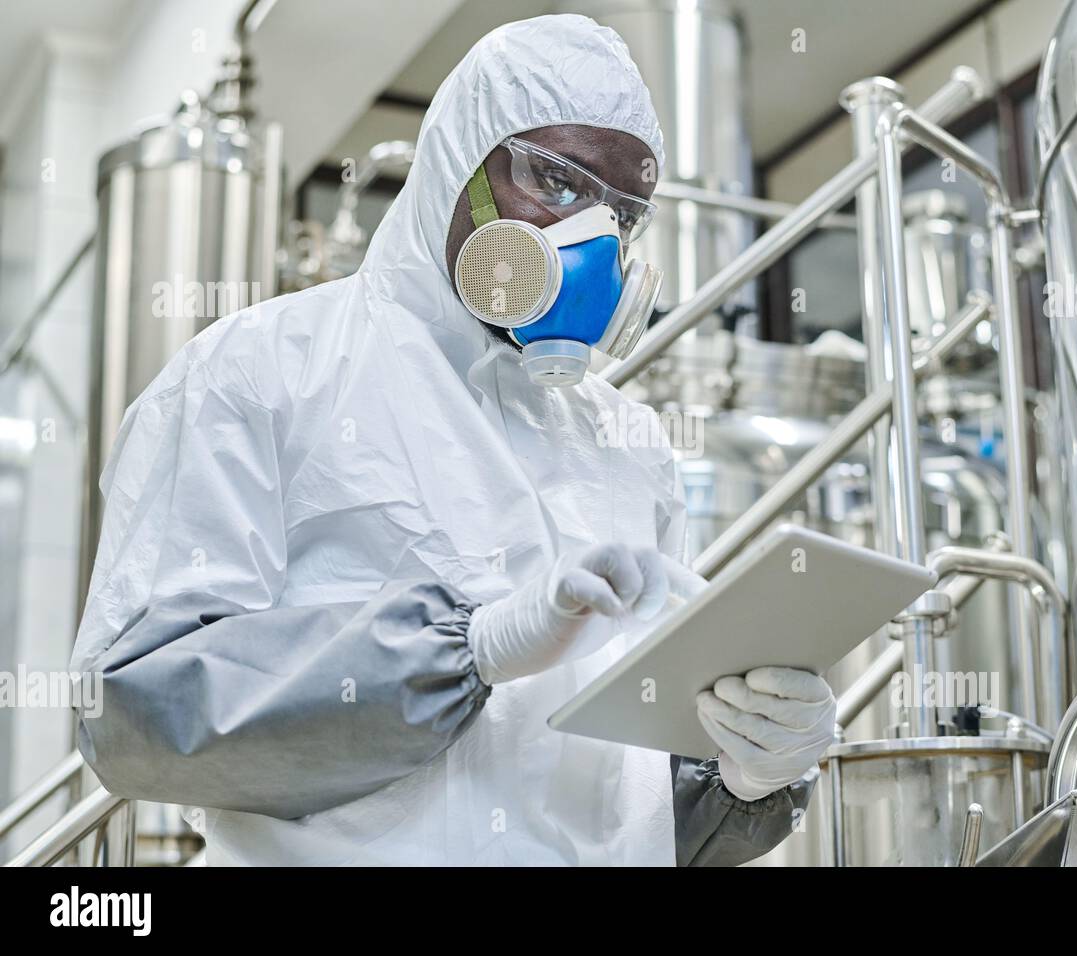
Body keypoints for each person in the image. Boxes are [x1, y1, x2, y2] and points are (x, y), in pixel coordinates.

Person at [69, 14, 835, 866]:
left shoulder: (632, 446)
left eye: (625, 216)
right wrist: (466, 651)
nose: (596, 244)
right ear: (457, 161)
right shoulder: (261, 372)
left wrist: (744, 775)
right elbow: (130, 715)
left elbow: (624, 816)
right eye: (555, 181)